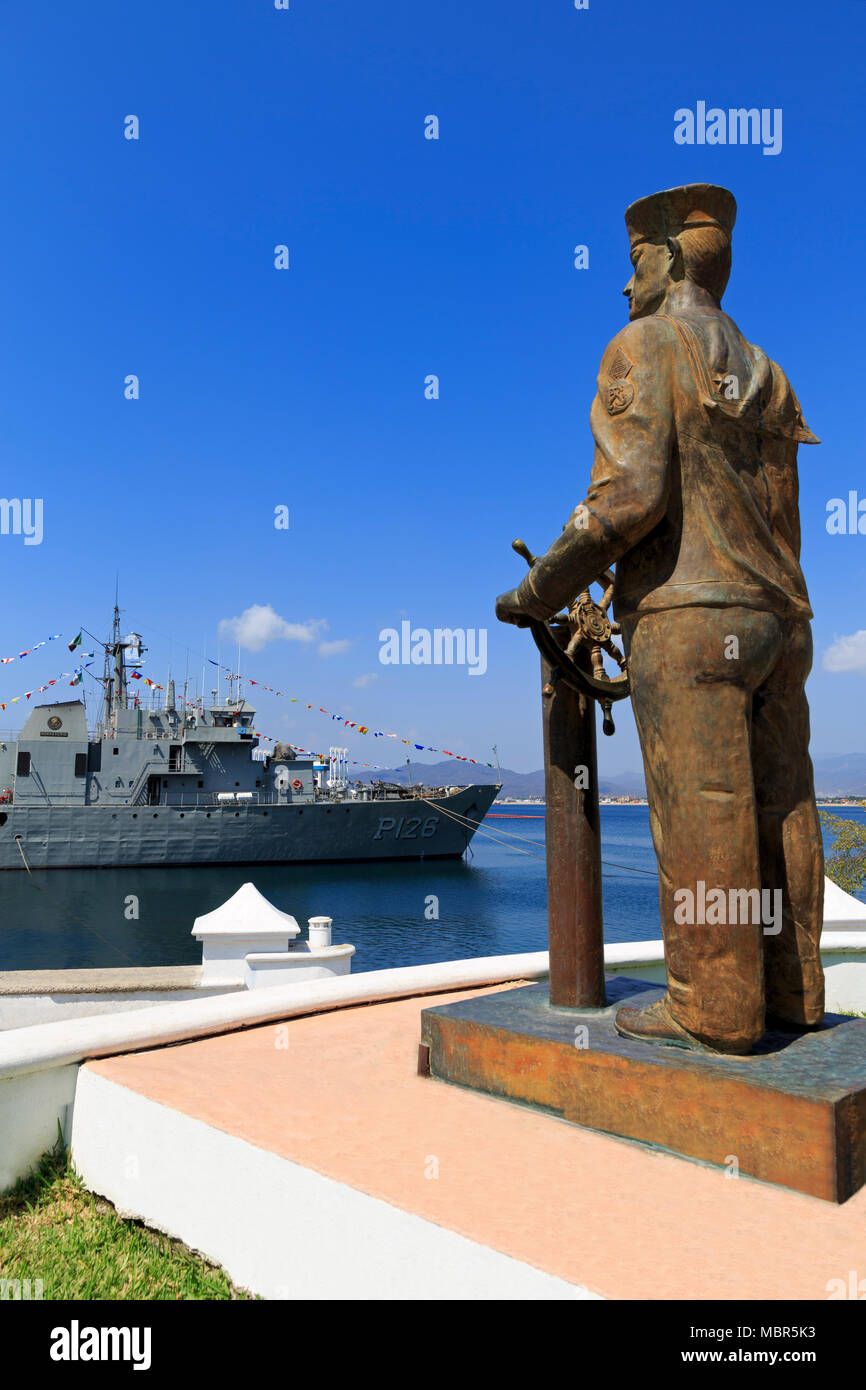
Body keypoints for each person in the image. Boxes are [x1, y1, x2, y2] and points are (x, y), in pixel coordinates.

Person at [496, 184, 824, 1055]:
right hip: (782, 621)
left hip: (688, 620)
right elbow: (785, 520)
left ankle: (713, 1007)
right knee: (784, 803)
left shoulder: (640, 347)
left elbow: (625, 503)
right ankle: (793, 992)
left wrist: (537, 593)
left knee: (704, 808)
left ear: (670, 259)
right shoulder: (767, 373)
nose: (624, 282)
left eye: (634, 260)